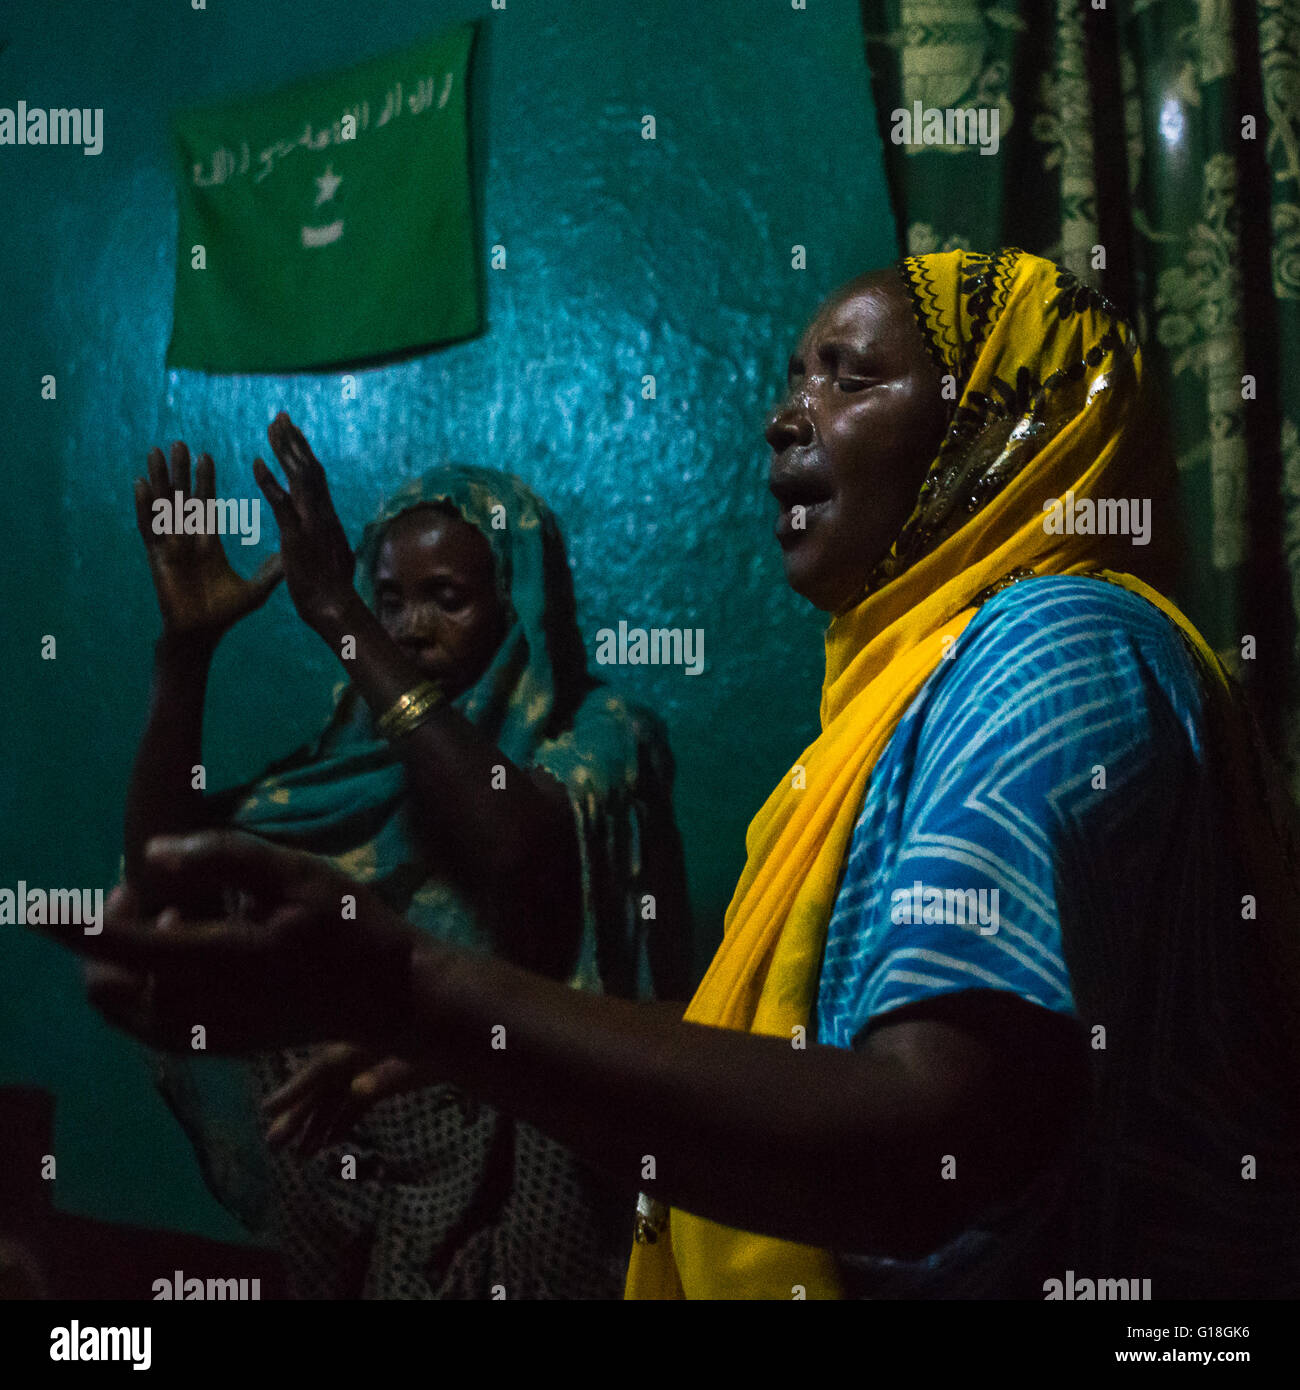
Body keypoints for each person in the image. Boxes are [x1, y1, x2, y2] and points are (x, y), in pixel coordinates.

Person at [74, 250, 1300, 1299]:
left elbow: (921, 1149)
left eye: (850, 375)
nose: (785, 412)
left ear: (1006, 422)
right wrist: (449, 1031)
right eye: (792, 374)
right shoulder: (905, 702)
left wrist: (416, 993)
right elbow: (817, 1057)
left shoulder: (1055, 650)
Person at [121, 423, 692, 1297]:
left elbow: (518, 852)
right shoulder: (347, 767)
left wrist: (341, 615)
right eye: (389, 600)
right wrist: (186, 654)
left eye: (447, 598)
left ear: (517, 600)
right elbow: (169, 880)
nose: (412, 628)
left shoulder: (602, 738)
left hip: (534, 1202)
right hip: (344, 1178)